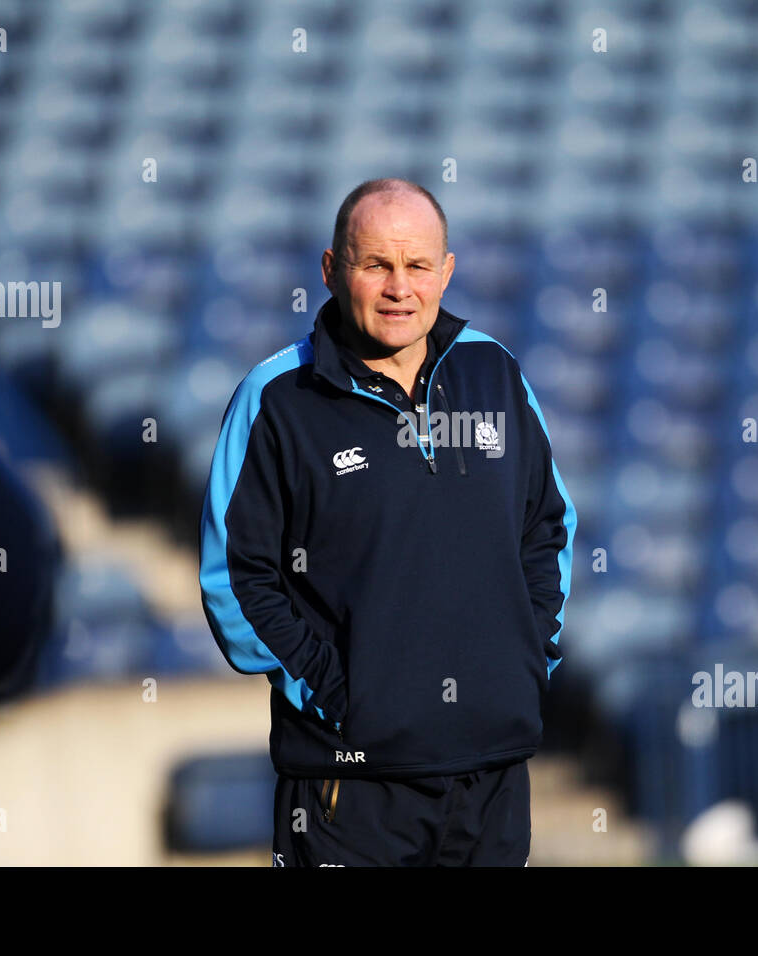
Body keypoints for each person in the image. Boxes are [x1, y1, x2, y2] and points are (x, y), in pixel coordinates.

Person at [199, 178, 576, 866]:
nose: (400, 287)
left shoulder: (495, 373)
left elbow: (546, 530)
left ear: (447, 272)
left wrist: (521, 663)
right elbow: (236, 579)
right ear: (332, 270)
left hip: (491, 774)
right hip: (351, 786)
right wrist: (346, 698)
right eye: (376, 264)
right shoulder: (276, 398)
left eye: (418, 265)